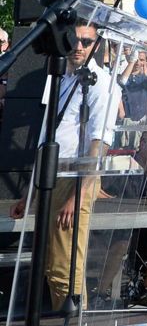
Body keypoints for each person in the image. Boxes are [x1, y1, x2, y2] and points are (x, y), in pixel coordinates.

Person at [9, 22, 114, 311]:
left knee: (64, 266)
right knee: (49, 263)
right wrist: (30, 191)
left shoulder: (100, 82)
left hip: (74, 178)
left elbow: (99, 143)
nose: (79, 46)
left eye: (87, 41)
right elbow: (48, 136)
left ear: (97, 45)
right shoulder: (62, 77)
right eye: (74, 39)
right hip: (52, 176)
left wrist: (77, 194)